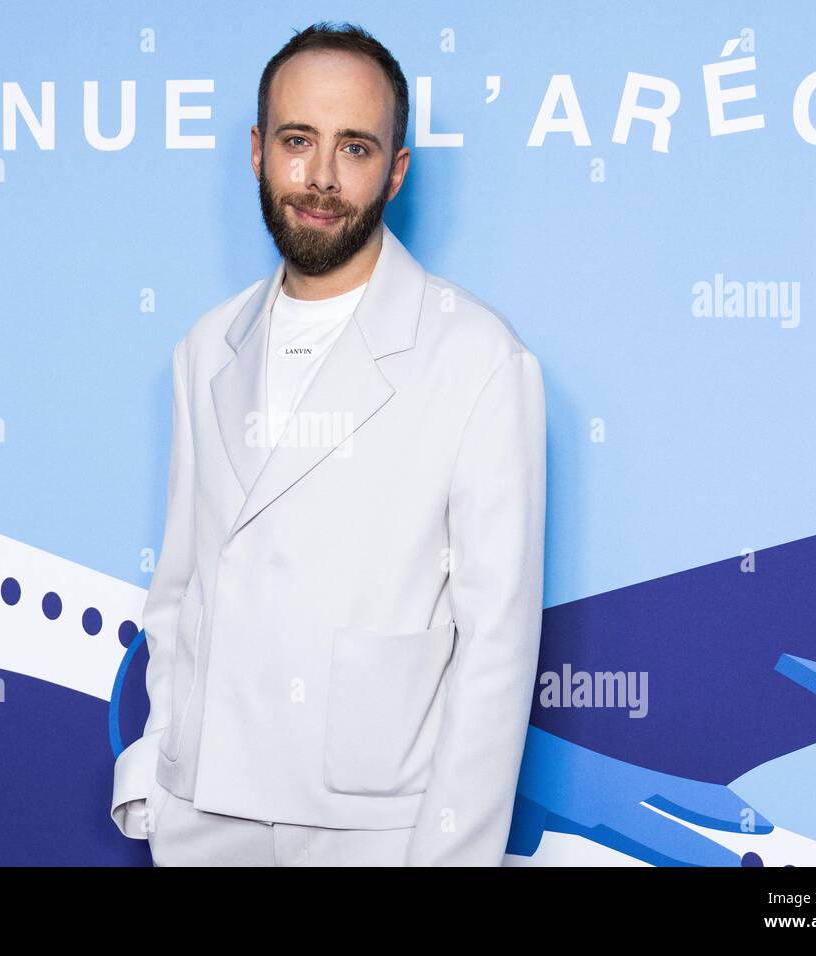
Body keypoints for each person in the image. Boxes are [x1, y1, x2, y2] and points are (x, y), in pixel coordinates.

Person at [110, 21, 547, 866]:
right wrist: (159, 770)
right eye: (297, 141)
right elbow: (179, 588)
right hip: (204, 815)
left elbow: (496, 645)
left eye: (354, 147)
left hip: (371, 829)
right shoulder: (205, 347)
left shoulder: (480, 357)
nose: (319, 177)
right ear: (257, 151)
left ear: (397, 170)